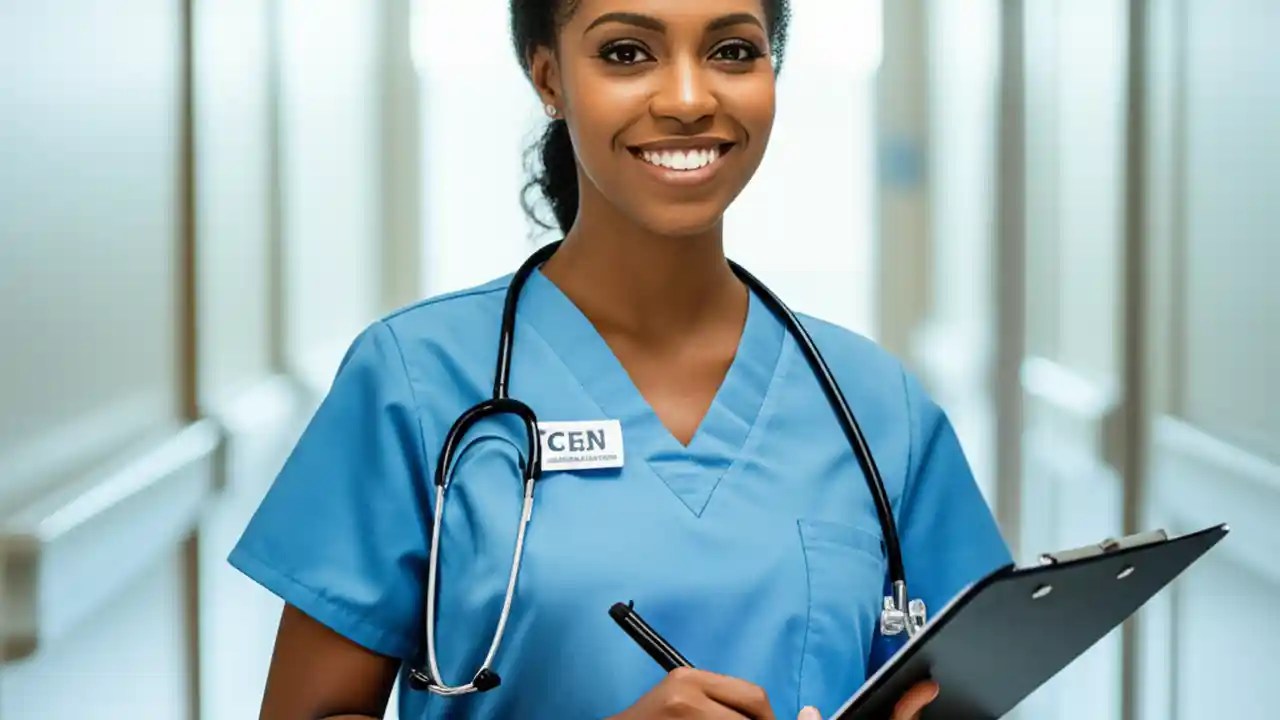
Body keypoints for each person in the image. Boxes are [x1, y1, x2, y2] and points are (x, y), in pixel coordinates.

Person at [227, 0, 1013, 718]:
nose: (686, 98)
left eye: (734, 51)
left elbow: (951, 689)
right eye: (628, 53)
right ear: (549, 78)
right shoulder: (415, 381)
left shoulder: (876, 406)